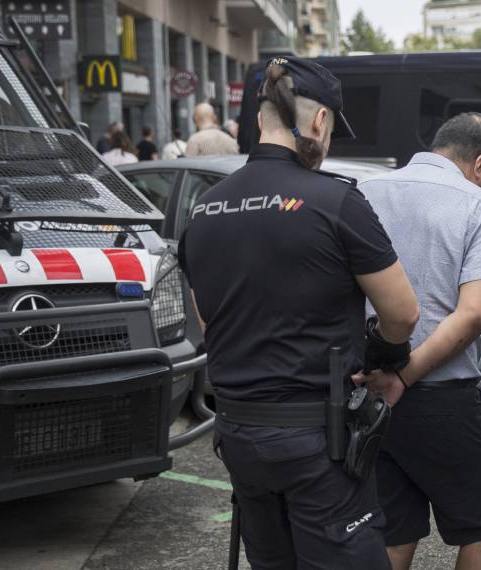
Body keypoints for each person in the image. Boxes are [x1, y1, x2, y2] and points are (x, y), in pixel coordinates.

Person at [178, 57, 419, 570]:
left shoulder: (203, 210)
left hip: (240, 435)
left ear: (261, 118)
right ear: (318, 122)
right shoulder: (335, 202)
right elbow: (402, 312)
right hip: (316, 440)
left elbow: (206, 319)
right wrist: (384, 357)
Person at [355, 113, 481, 570]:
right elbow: (474, 313)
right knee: (478, 528)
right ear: (480, 164)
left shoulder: (364, 194)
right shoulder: (479, 206)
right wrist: (404, 375)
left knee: (391, 532)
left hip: (367, 393)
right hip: (440, 398)